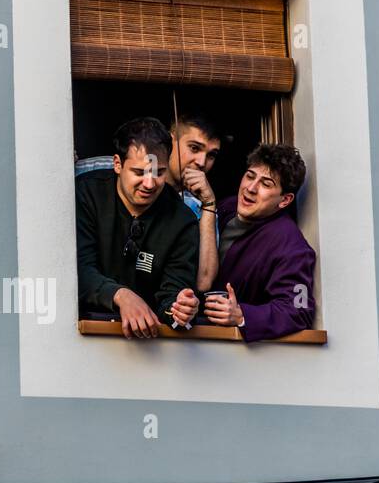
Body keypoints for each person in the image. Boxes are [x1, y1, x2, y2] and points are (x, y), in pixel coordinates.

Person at [76, 117, 199, 338]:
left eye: (159, 172)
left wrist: (180, 310)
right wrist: (121, 295)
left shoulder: (183, 220)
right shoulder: (85, 195)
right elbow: (76, 270)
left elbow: (171, 294)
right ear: (117, 164)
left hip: (150, 344)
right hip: (83, 336)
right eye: (140, 172)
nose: (150, 184)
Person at [77, 114, 223, 291]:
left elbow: (201, 283)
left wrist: (209, 204)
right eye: (194, 148)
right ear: (170, 142)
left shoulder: (194, 207)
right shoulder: (96, 174)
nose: (201, 162)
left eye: (211, 155)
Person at [202, 143, 316, 342]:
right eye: (250, 176)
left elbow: (299, 310)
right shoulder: (223, 207)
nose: (251, 188)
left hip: (233, 357)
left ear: (285, 200)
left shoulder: (291, 245)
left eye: (266, 184)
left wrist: (241, 315)